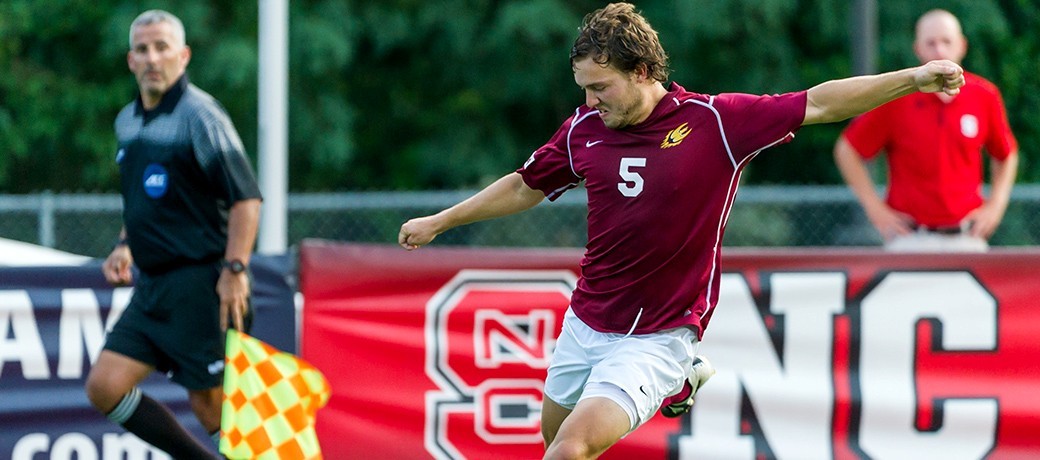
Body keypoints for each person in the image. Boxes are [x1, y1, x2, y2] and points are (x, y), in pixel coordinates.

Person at [398, 3, 965, 459]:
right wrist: (441, 221)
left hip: (658, 335)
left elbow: (818, 103)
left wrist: (913, 78)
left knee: (569, 449)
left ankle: (677, 371)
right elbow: (525, 185)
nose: (588, 101)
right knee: (554, 442)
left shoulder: (714, 123)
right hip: (587, 318)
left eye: (601, 87)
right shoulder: (583, 127)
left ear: (642, 72)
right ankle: (686, 383)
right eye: (584, 89)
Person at [83, 10, 262, 459]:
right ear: (130, 60)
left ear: (183, 55)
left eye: (162, 47)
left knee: (212, 409)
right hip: (153, 287)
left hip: (202, 283)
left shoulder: (200, 116)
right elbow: (145, 201)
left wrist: (235, 268)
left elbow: (246, 199)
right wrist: (125, 244)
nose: (152, 57)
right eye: (142, 49)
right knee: (105, 386)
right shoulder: (127, 120)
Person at [834, 9, 1019, 252]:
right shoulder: (897, 97)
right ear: (917, 49)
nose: (939, 50)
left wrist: (996, 205)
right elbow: (847, 149)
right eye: (931, 43)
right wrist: (875, 209)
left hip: (966, 237)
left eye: (946, 41)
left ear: (962, 46)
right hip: (910, 240)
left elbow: (1006, 154)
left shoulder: (984, 96)